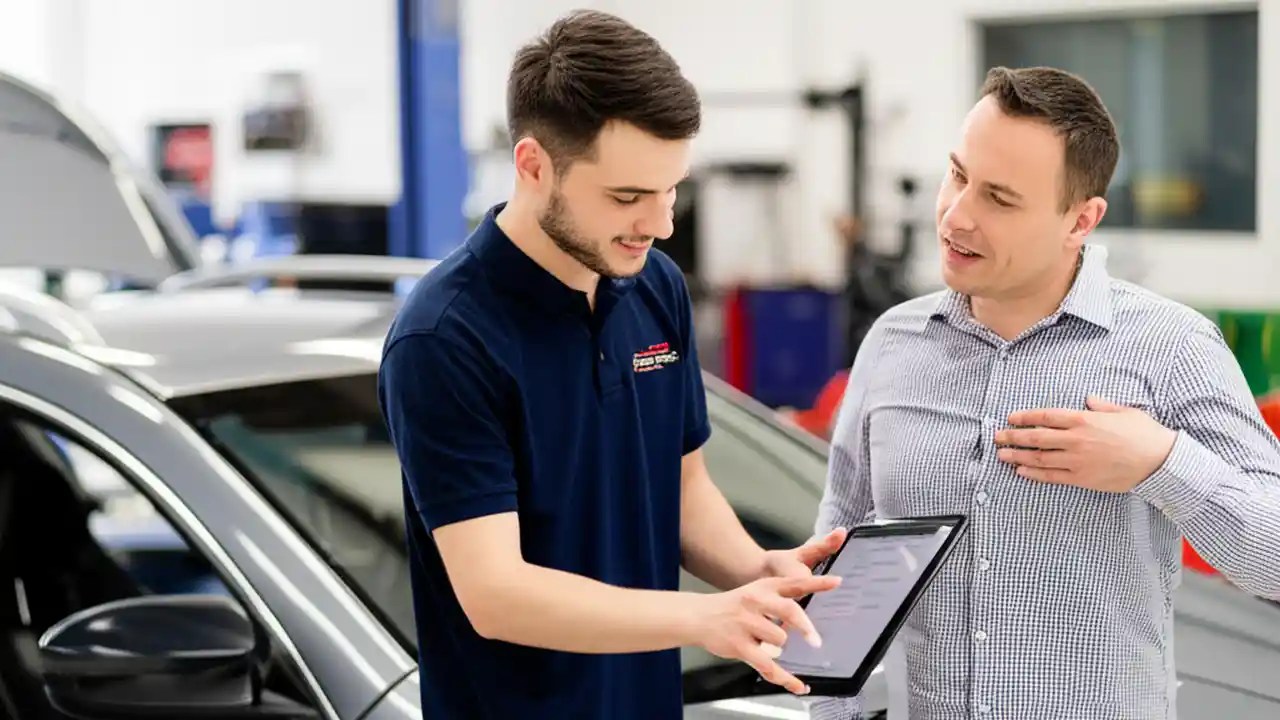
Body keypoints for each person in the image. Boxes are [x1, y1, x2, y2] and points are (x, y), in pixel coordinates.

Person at [377, 10, 846, 720]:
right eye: (627, 197)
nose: (660, 224)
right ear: (534, 166)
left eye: (672, 189)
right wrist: (699, 617)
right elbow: (495, 595)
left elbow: (683, 487)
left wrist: (756, 571)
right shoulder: (445, 339)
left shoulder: (655, 287)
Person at [811, 65, 1280, 720]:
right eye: (957, 174)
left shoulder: (1173, 350)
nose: (957, 214)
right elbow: (843, 548)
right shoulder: (894, 343)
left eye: (1000, 199)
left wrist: (1161, 463)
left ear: (1080, 219)